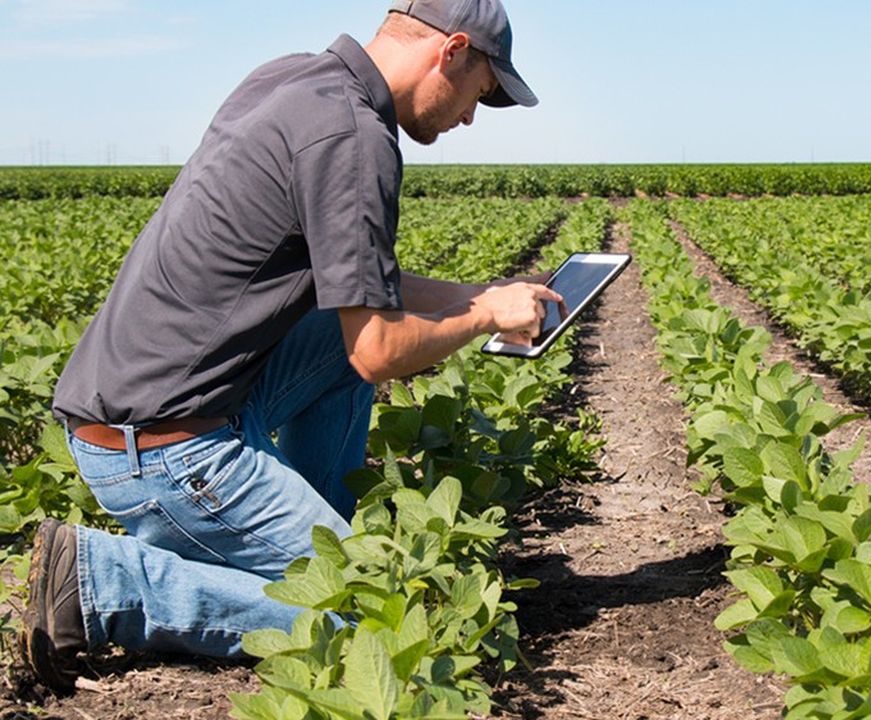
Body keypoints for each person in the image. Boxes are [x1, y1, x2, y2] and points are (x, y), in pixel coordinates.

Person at [21, 0, 557, 694]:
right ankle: (104, 581)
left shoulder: (292, 81)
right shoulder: (356, 139)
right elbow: (378, 351)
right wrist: (485, 316)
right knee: (370, 620)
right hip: (164, 449)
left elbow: (367, 297)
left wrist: (474, 291)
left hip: (146, 405)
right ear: (451, 51)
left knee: (338, 339)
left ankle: (312, 533)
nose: (469, 118)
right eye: (479, 93)